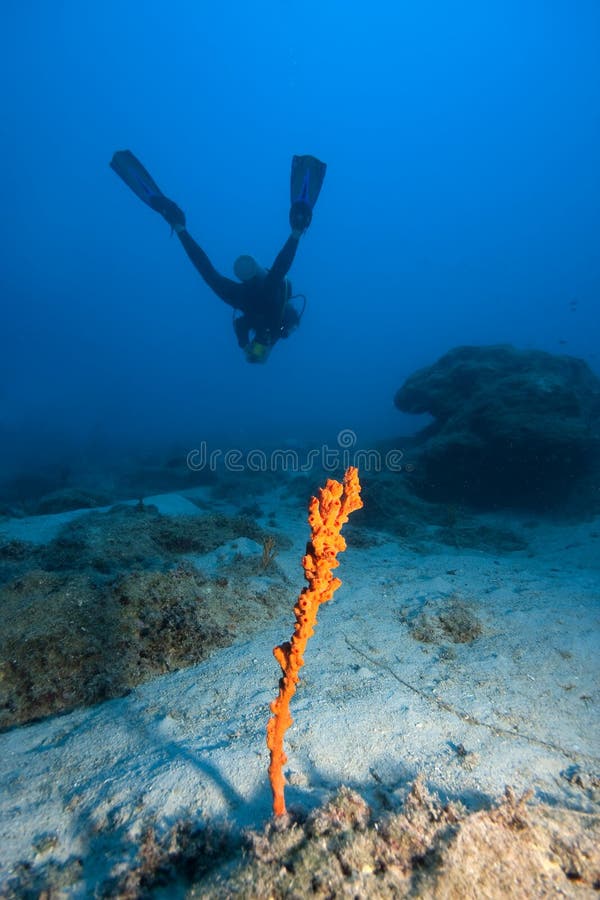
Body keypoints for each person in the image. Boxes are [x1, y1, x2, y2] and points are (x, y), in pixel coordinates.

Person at [110, 151, 326, 364]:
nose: (261, 346)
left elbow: (242, 325)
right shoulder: (280, 330)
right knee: (239, 275)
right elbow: (276, 314)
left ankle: (179, 226)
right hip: (265, 296)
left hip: (248, 298)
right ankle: (295, 230)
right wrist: (259, 339)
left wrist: (245, 345)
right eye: (262, 351)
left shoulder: (263, 332)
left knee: (210, 275)